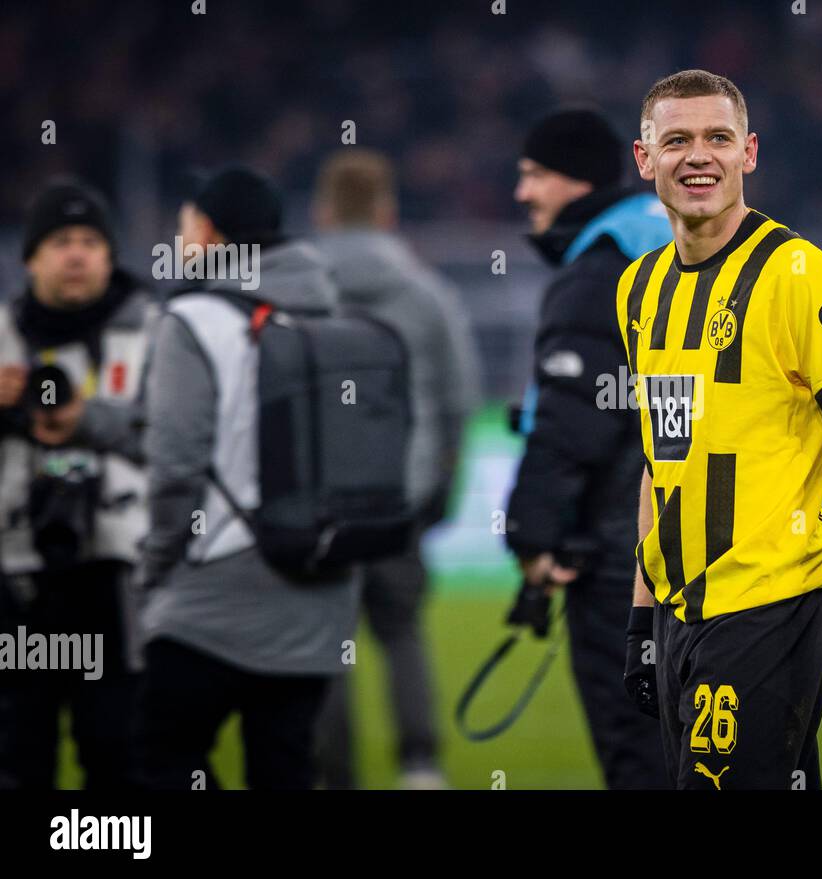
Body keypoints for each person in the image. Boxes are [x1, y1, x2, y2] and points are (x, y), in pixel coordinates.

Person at [618, 70, 822, 790]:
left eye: (718, 138)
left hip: (768, 610)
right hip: (681, 616)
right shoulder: (638, 288)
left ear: (748, 153)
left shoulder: (796, 273)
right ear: (644, 157)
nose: (698, 156)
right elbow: (664, 460)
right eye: (677, 139)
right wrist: (640, 614)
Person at [132, 165, 359, 790]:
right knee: (284, 769)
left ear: (206, 230)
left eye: (182, 226)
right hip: (318, 598)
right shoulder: (332, 312)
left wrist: (152, 568)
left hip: (209, 595)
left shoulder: (193, 320)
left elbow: (174, 464)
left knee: (160, 758)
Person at [505, 108, 672, 789]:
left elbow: (575, 422)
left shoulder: (599, 271)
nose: (523, 194)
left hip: (617, 562)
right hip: (708, 547)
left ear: (576, 181)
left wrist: (534, 534)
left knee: (638, 749)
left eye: (534, 176)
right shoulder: (681, 247)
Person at [311, 149, 479, 790]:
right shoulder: (426, 293)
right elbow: (460, 401)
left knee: (328, 644)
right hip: (399, 498)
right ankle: (420, 766)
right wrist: (439, 491)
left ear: (324, 213)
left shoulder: (299, 290)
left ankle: (333, 776)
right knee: (403, 632)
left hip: (321, 502)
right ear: (387, 212)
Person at [0, 179, 155, 789]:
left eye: (91, 241)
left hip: (117, 576)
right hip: (17, 576)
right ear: (31, 257)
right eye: (60, 241)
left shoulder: (153, 335)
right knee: (17, 754)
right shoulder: (2, 338)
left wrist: (88, 424)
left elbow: (182, 443)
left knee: (117, 755)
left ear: (110, 255)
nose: (76, 254)